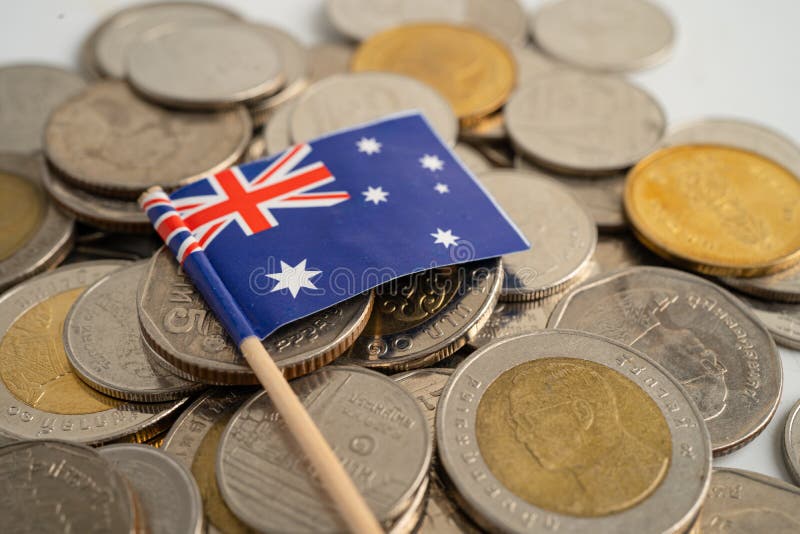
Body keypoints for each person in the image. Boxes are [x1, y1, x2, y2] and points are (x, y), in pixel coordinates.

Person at [508, 359, 669, 516]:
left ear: (582, 413)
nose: (521, 436)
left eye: (528, 421)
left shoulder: (655, 476)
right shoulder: (577, 505)